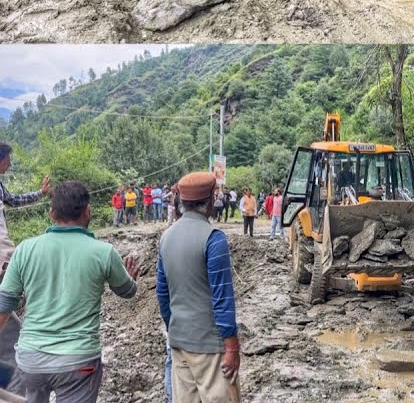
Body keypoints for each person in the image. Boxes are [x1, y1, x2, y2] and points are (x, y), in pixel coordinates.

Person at [0, 181, 141, 403]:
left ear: (51, 213)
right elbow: (126, 291)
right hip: (78, 361)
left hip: (31, 360)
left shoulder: (25, 250)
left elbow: (3, 307)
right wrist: (132, 280)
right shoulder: (104, 253)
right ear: (87, 211)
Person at [157, 172, 241, 403]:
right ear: (211, 199)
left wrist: (174, 326)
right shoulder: (214, 239)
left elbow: (162, 293)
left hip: (179, 342)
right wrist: (232, 347)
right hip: (210, 346)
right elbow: (222, 297)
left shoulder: (166, 237)